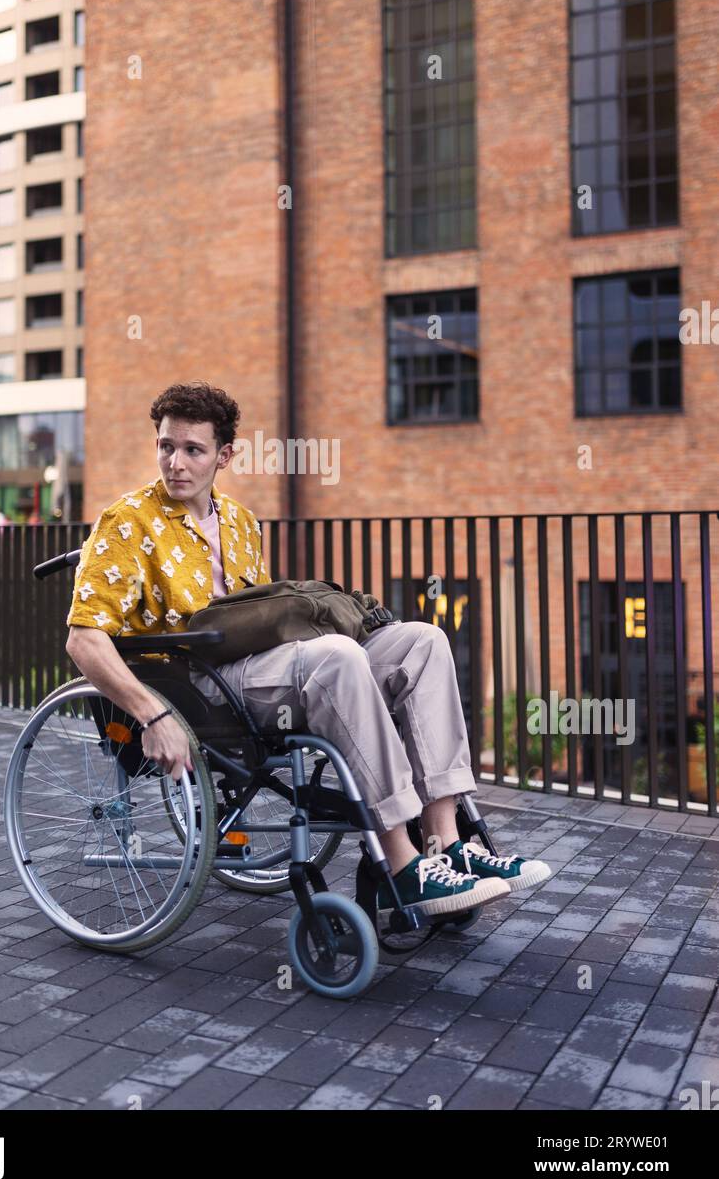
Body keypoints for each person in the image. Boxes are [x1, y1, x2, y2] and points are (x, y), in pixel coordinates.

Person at [65, 381, 552, 919]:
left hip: (259, 667)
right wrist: (153, 715)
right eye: (165, 446)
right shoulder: (126, 522)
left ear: (225, 455)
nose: (174, 462)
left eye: (192, 450)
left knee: (423, 642)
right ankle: (400, 863)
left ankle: (447, 844)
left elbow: (260, 619)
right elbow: (84, 638)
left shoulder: (241, 523)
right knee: (338, 657)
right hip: (196, 682)